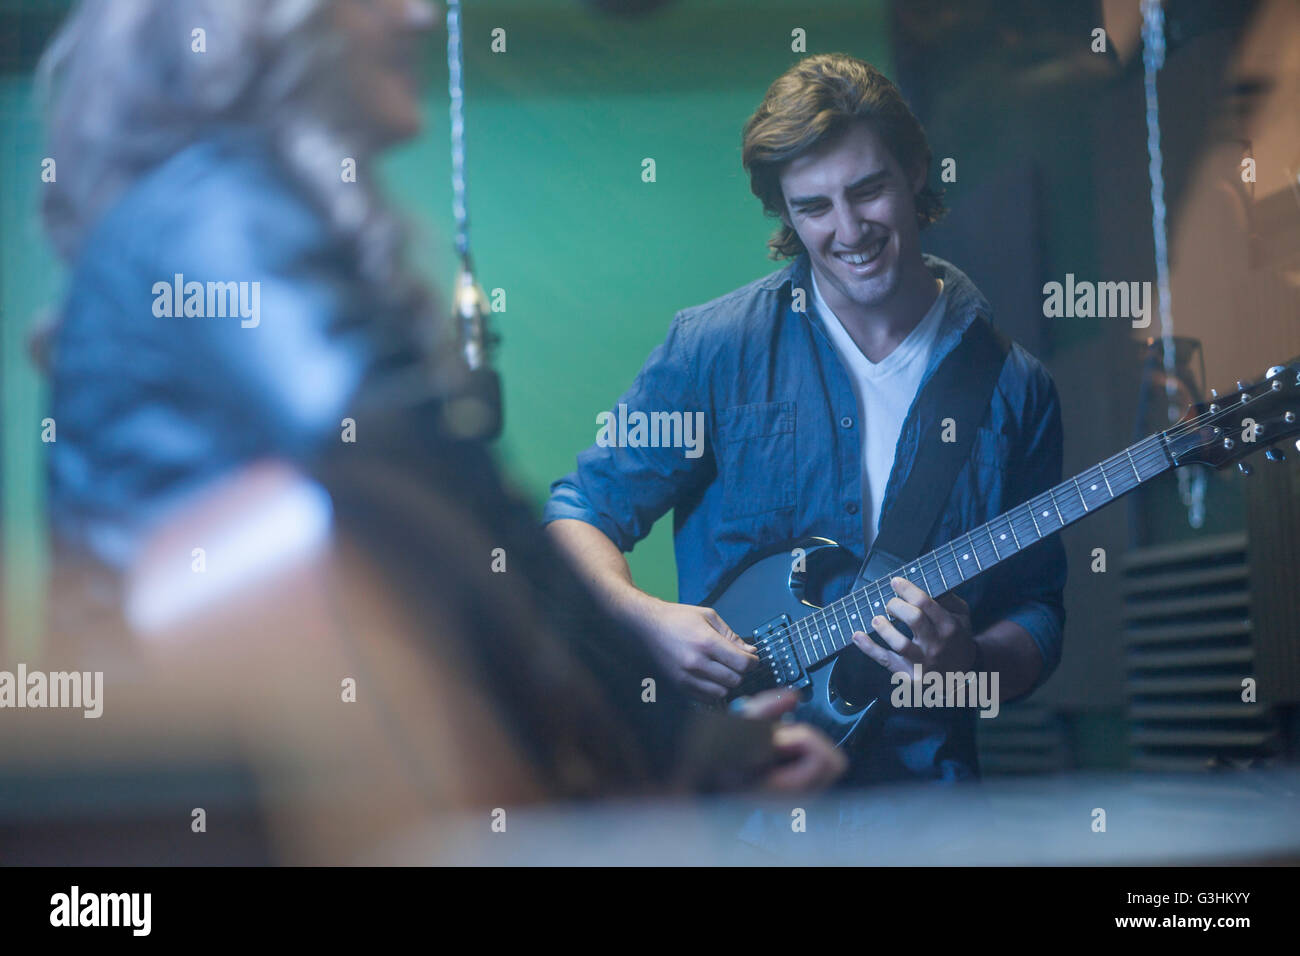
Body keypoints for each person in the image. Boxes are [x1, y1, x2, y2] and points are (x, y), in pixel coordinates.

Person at [37, 0, 844, 803]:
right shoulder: (218, 210)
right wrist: (673, 740)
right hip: (201, 798)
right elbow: (407, 461)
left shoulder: (187, 210)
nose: (421, 14)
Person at [546, 53, 1067, 784]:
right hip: (747, 797)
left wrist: (970, 663)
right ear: (783, 211)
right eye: (814, 207)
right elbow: (577, 517)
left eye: (868, 190)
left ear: (914, 172)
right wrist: (644, 622)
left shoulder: (1015, 388)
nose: (849, 230)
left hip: (929, 813)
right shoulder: (714, 349)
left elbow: (1039, 613)